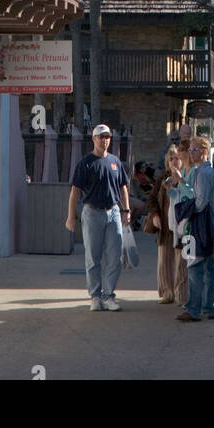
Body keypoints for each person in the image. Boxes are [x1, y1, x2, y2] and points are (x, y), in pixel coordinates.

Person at [65, 124, 130, 311]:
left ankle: (109, 295)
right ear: (93, 139)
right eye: (101, 137)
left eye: (107, 137)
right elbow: (75, 191)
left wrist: (126, 211)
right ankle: (95, 296)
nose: (105, 140)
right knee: (93, 257)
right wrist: (71, 216)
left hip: (113, 212)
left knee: (114, 256)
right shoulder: (85, 163)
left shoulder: (115, 162)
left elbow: (123, 187)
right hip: (92, 212)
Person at [175, 135, 214, 322]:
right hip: (211, 227)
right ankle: (208, 307)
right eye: (188, 150)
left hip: (198, 227)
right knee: (210, 268)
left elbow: (200, 203)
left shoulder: (201, 173)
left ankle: (193, 308)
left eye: (193, 150)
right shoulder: (207, 172)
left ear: (203, 152)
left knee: (194, 267)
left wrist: (185, 208)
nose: (190, 153)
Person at [146, 145, 189, 305]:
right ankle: (167, 292)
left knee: (182, 262)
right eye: (170, 158)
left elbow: (191, 196)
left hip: (182, 226)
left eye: (176, 158)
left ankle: (181, 294)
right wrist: (155, 215)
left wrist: (180, 180)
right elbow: (151, 200)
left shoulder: (186, 177)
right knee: (164, 261)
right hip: (165, 225)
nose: (173, 161)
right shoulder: (162, 178)